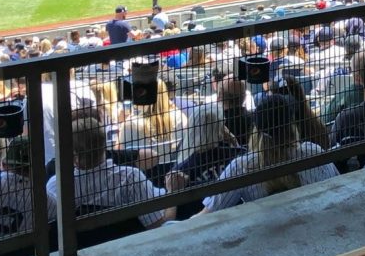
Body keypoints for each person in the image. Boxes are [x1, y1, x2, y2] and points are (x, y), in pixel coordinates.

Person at [200, 94, 338, 212]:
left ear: (256, 130)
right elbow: (340, 190)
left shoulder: (242, 167)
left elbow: (206, 216)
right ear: (291, 126)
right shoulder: (313, 152)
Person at [46, 117, 185, 229]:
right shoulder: (131, 178)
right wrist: (174, 193)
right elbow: (159, 227)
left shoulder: (57, 186)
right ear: (105, 145)